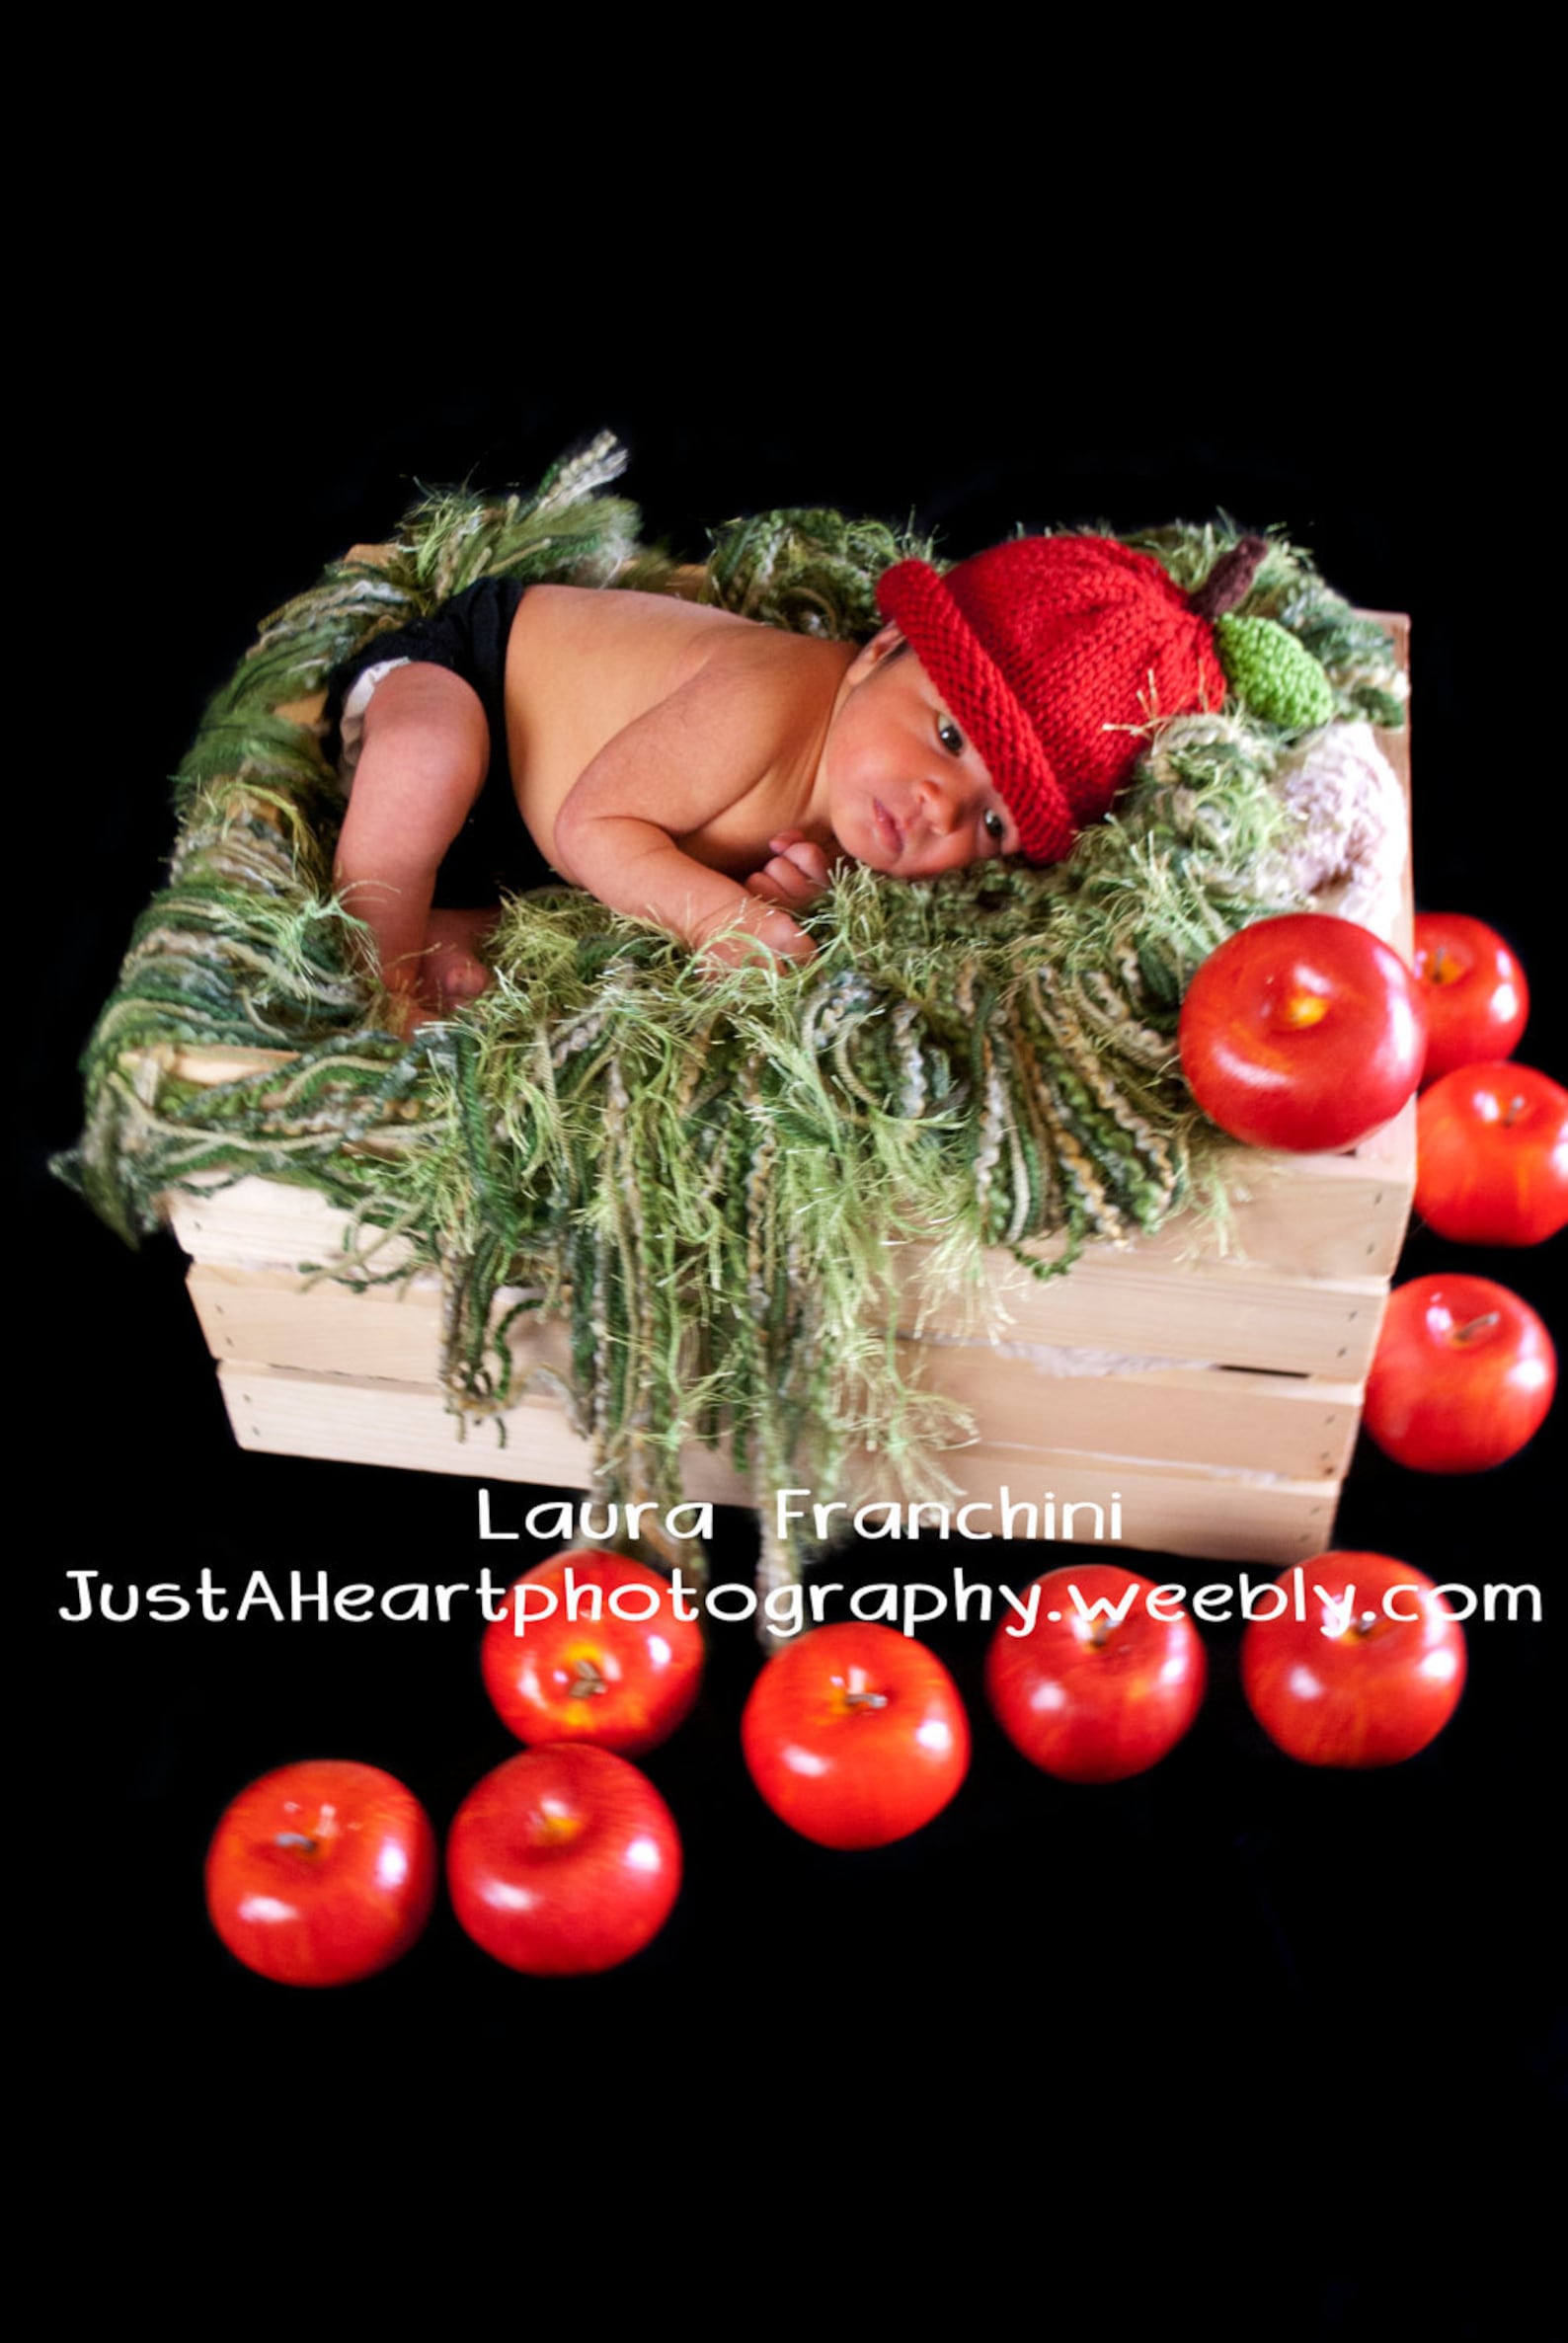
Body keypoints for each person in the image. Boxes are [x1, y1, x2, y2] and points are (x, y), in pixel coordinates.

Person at [328, 530, 1253, 1026]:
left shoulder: (857, 821)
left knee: (557, 939)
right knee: (427, 762)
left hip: (528, 848)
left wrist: (773, 892)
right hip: (474, 683)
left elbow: (631, 868)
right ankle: (374, 975)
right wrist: (723, 916)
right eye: (946, 734)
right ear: (879, 652)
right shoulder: (767, 698)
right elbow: (594, 829)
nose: (941, 807)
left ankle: (432, 935)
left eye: (995, 827)